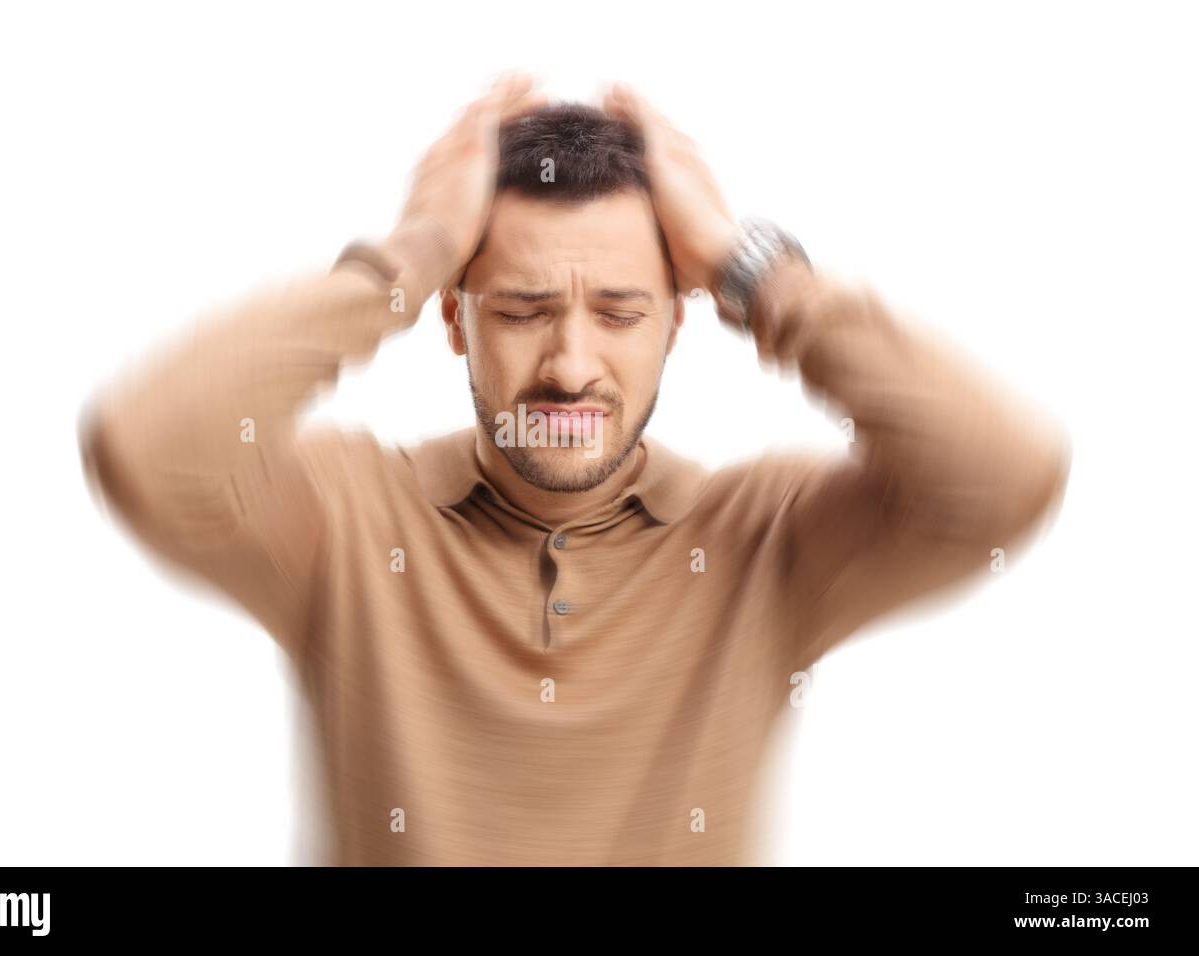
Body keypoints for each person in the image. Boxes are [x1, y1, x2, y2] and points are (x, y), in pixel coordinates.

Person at [78, 72, 1071, 865]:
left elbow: (1003, 475)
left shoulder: (762, 537)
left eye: (621, 311)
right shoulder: (345, 518)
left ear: (680, 322)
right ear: (455, 320)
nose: (571, 364)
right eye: (520, 309)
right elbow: (145, 447)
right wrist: (409, 254)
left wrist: (748, 262)